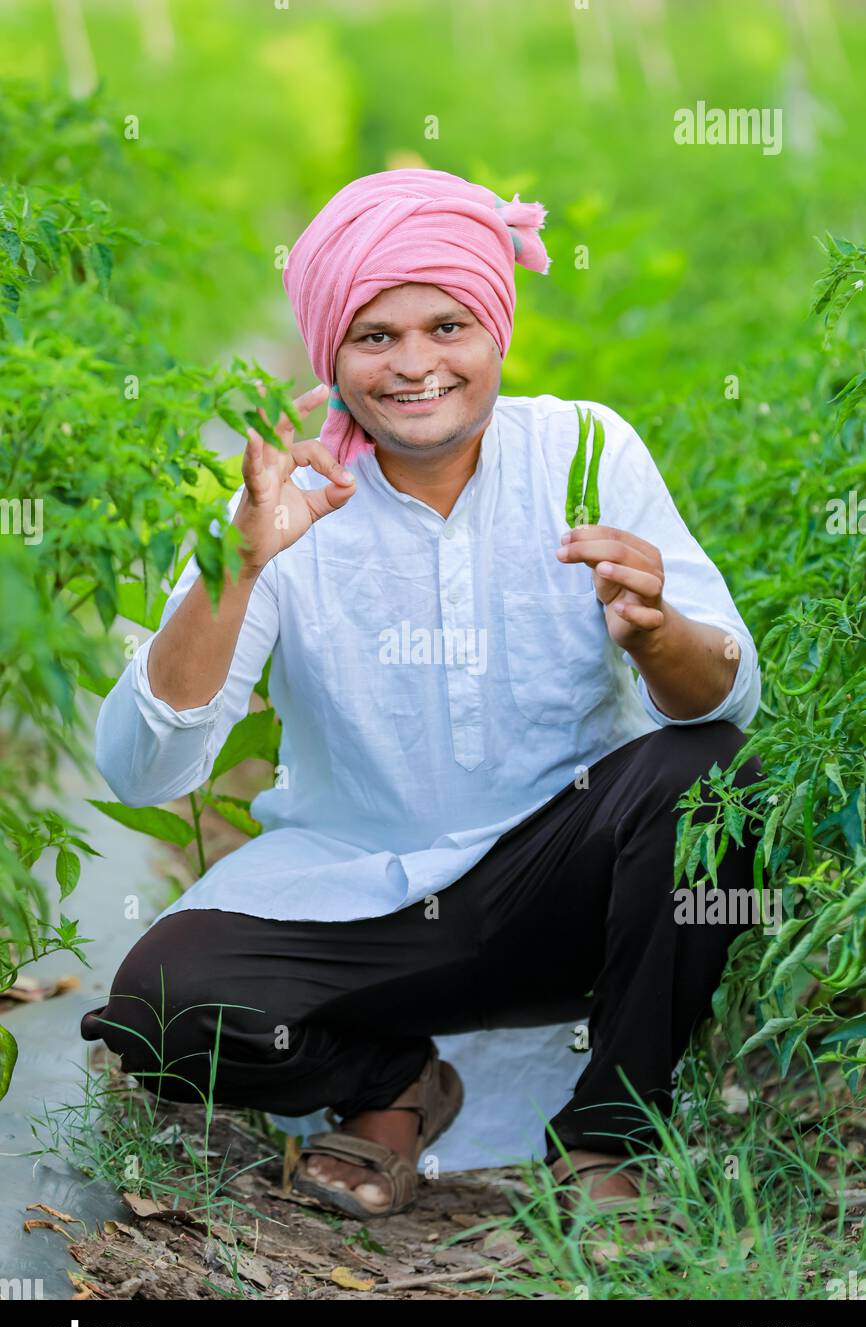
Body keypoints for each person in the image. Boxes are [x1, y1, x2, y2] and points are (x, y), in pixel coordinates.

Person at [80, 168, 763, 1250]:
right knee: (161, 1004)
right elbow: (141, 772)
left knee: (714, 771)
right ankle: (395, 1084)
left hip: (561, 881)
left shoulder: (582, 450)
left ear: (493, 328)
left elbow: (728, 693)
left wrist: (658, 633)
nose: (413, 365)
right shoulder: (280, 506)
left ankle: (604, 1139)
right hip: (359, 901)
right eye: (373, 335)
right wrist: (235, 572)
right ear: (329, 356)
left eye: (445, 325)